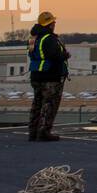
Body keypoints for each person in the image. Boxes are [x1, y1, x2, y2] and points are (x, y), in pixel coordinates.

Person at [27, 11, 69, 142]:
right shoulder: (49, 39)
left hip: (36, 76)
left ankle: (33, 132)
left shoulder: (33, 39)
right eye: (53, 22)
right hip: (51, 76)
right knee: (49, 104)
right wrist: (65, 55)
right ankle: (44, 132)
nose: (54, 24)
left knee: (37, 104)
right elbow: (54, 56)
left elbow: (32, 54)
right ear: (50, 24)